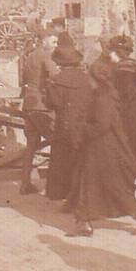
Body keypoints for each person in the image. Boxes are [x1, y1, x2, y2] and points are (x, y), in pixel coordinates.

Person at [66, 61, 136, 237]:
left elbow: (102, 125)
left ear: (95, 78)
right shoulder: (105, 94)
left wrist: (82, 129)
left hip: (102, 146)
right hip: (102, 145)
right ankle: (85, 221)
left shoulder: (103, 97)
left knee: (102, 183)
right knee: (94, 183)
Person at [45, 39, 94, 202]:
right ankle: (79, 195)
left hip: (63, 124)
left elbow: (53, 103)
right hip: (82, 124)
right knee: (79, 160)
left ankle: (63, 195)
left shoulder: (56, 80)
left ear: (60, 63)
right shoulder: (87, 78)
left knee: (61, 160)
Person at [18, 33, 59, 194]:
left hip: (28, 105)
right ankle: (54, 186)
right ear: (45, 42)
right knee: (57, 142)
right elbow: (55, 77)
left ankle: (24, 184)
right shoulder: (46, 55)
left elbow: (23, 80)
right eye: (54, 41)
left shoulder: (30, 56)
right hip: (41, 106)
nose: (56, 44)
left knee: (31, 145)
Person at [110, 35, 136, 162]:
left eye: (112, 51)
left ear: (118, 52)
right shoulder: (135, 68)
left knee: (130, 150)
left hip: (128, 115)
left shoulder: (123, 71)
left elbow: (126, 95)